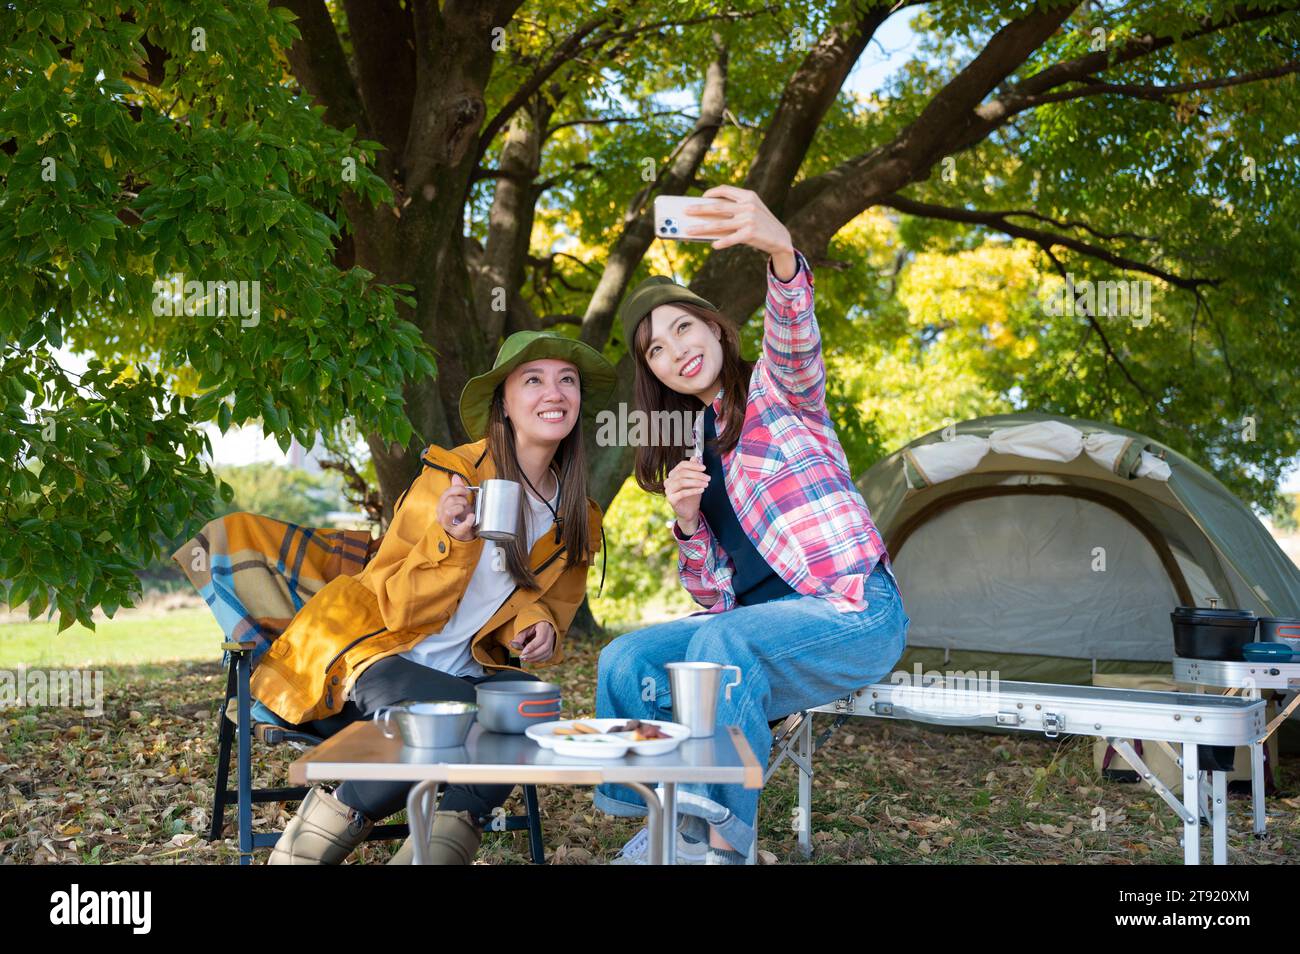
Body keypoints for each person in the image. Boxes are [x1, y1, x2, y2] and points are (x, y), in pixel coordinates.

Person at [594, 185, 909, 864]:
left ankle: (716, 843)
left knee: (723, 649)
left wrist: (778, 249)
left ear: (714, 328)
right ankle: (664, 815)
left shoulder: (777, 391)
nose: (675, 350)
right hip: (757, 634)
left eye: (684, 328)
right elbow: (713, 601)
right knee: (625, 660)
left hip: (853, 612)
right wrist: (686, 523)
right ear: (652, 374)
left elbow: (794, 332)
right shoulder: (686, 452)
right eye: (655, 349)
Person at [252, 330, 615, 864]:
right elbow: (396, 603)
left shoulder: (576, 515)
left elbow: (549, 602)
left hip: (461, 668)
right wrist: (452, 541)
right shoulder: (452, 478)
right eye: (532, 380)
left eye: (567, 381)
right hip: (370, 648)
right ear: (505, 404)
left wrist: (539, 626)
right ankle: (301, 855)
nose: (553, 393)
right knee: (459, 718)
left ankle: (431, 854)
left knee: (529, 711)